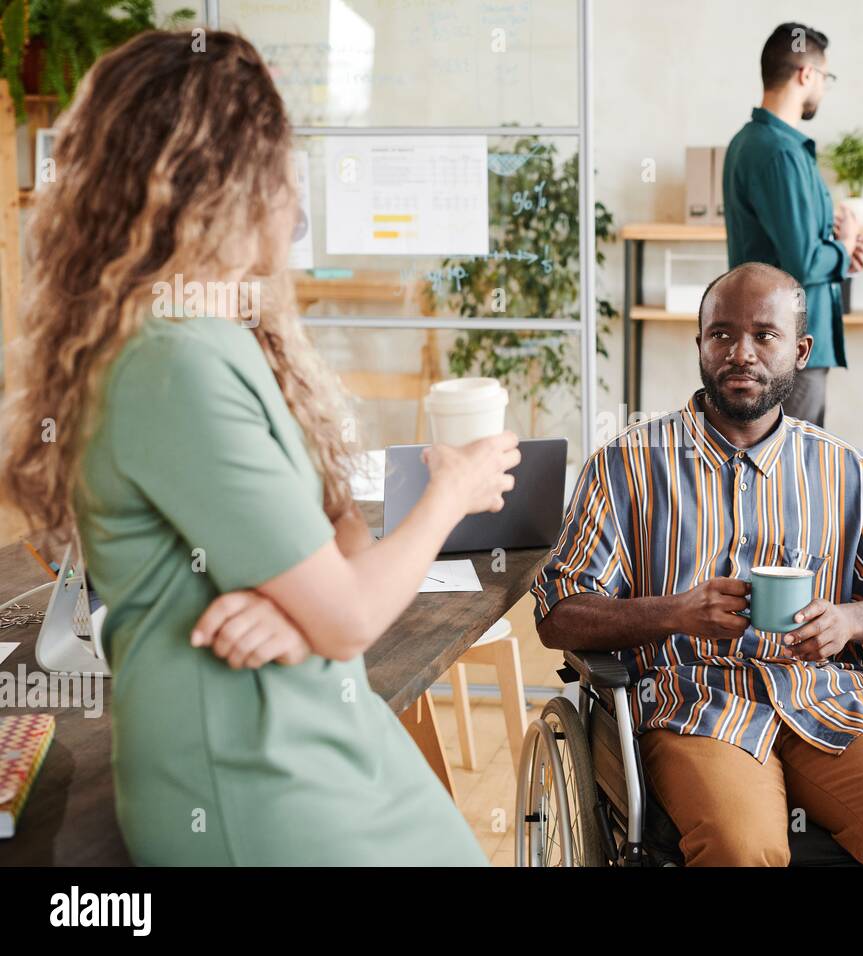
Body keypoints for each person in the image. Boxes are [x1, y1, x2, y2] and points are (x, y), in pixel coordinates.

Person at [0, 31, 520, 865]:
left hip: (316, 735)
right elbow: (349, 614)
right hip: (255, 785)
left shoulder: (221, 334)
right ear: (223, 184)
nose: (295, 197)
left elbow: (337, 536)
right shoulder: (172, 363)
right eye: (281, 167)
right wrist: (449, 495)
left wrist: (293, 601)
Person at [531, 262, 863, 867]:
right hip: (691, 703)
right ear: (700, 345)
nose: (741, 353)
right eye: (722, 335)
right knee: (742, 851)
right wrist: (677, 612)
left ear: (800, 349)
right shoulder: (627, 465)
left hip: (825, 697)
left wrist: (848, 622)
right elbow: (558, 615)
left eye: (765, 335)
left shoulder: (840, 471)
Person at [722, 22, 863, 427]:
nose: (823, 88)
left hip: (771, 338)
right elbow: (804, 262)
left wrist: (842, 255)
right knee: (792, 476)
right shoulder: (781, 153)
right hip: (787, 345)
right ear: (806, 74)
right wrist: (842, 248)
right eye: (825, 77)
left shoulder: (750, 142)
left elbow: (797, 250)